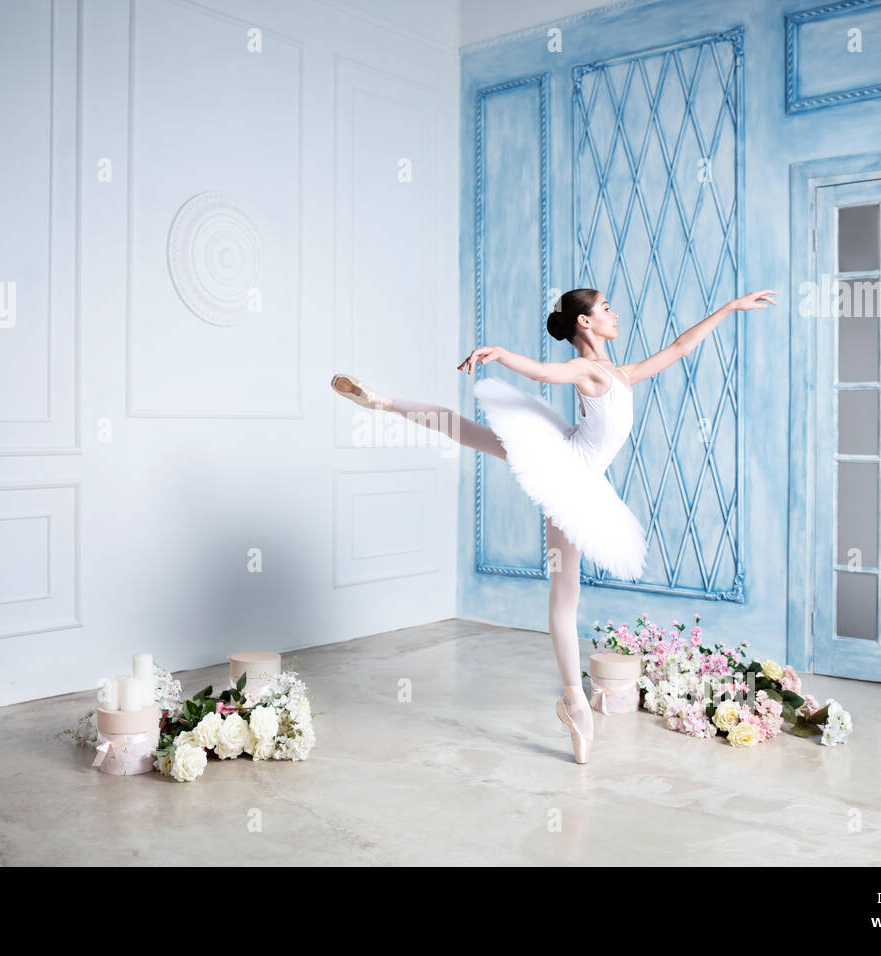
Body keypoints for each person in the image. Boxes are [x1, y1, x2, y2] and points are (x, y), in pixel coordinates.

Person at [331, 286, 777, 762]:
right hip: (570, 476)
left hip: (565, 455)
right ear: (585, 322)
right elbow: (546, 371)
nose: (615, 315)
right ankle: (574, 703)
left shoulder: (619, 373)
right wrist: (501, 353)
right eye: (606, 308)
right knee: (564, 597)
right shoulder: (588, 370)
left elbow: (680, 347)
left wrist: (730, 307)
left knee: (469, 433)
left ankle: (382, 402)